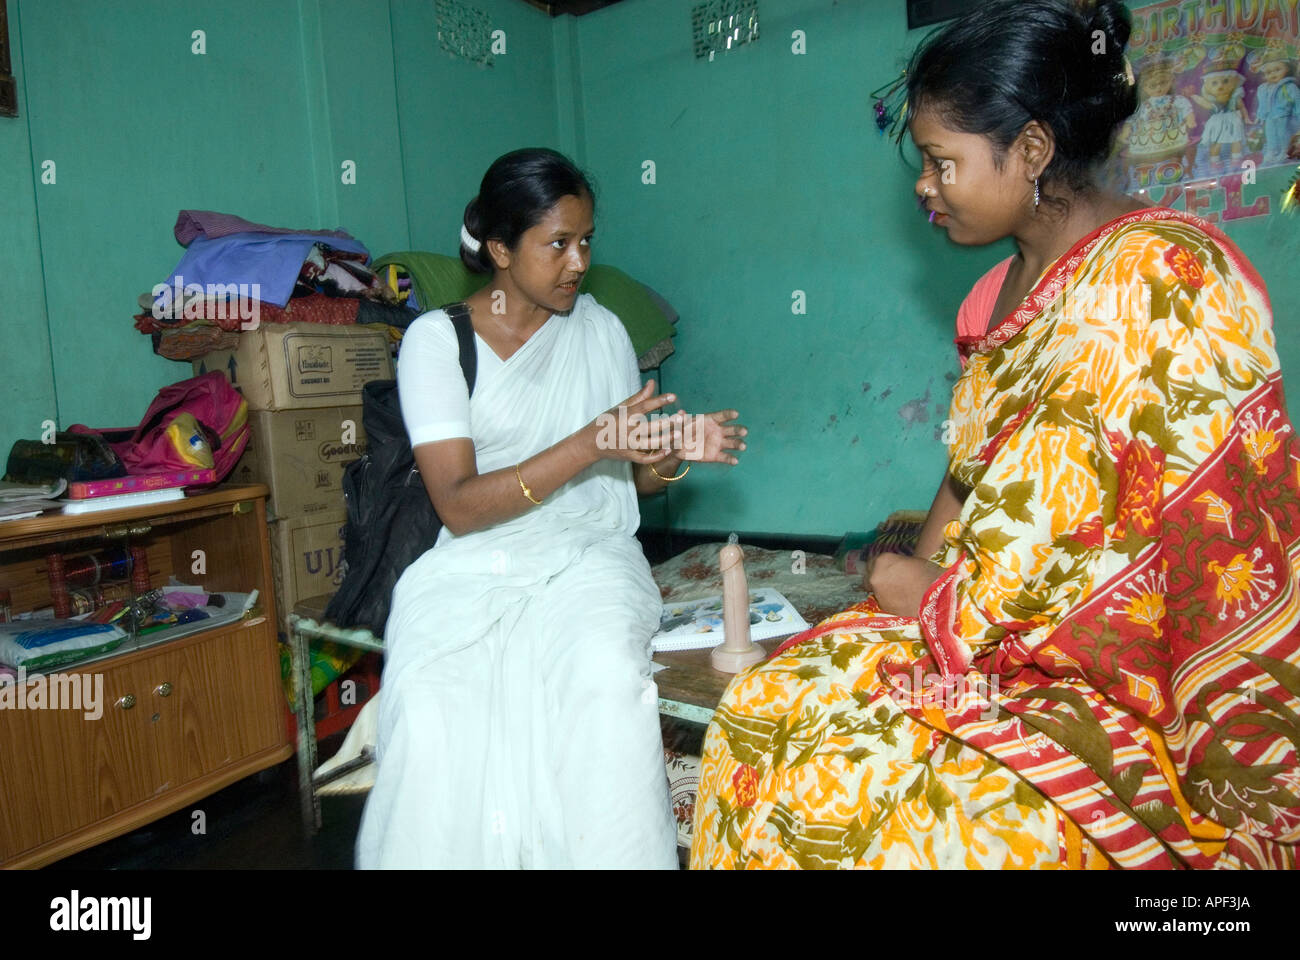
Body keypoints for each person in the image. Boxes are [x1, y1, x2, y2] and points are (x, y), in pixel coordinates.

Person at [692, 0, 1300, 869]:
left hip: (1122, 669)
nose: (924, 185)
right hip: (980, 624)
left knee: (911, 816)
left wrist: (933, 603)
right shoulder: (998, 295)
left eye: (943, 163)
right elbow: (975, 473)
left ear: (1033, 151)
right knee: (766, 707)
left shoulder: (1169, 276)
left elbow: (1206, 534)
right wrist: (903, 607)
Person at [356, 148, 746, 868]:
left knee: (601, 682)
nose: (578, 263)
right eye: (557, 244)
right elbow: (461, 507)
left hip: (590, 554)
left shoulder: (600, 332)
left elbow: (631, 483)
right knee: (435, 708)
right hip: (473, 561)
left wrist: (670, 453)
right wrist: (590, 441)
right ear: (501, 249)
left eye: (587, 241)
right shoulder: (436, 344)